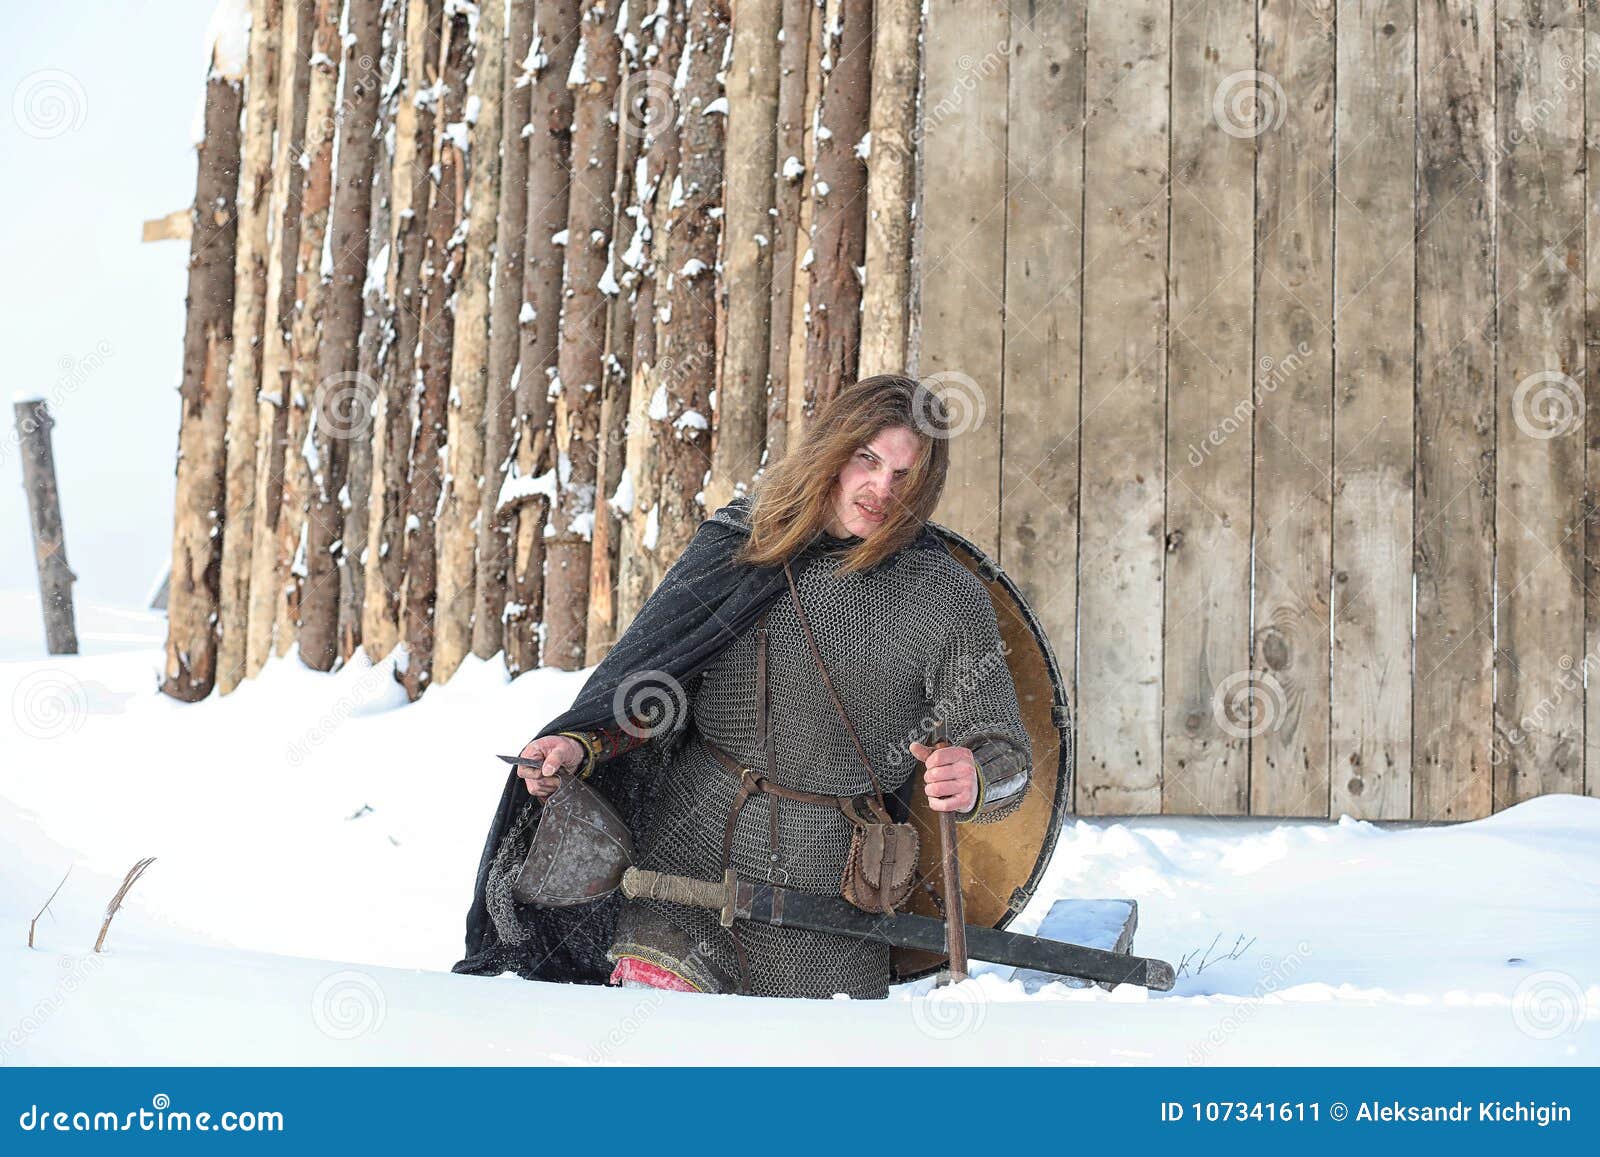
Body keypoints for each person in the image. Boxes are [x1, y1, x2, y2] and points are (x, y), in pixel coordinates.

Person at [453, 374, 1032, 999]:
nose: (880, 489)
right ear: (834, 453)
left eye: (904, 475)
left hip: (829, 896)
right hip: (684, 860)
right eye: (867, 460)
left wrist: (974, 776)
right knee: (659, 1060)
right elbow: (652, 682)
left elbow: (1006, 752)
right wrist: (581, 745)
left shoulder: (943, 594)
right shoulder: (746, 543)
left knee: (801, 1080)